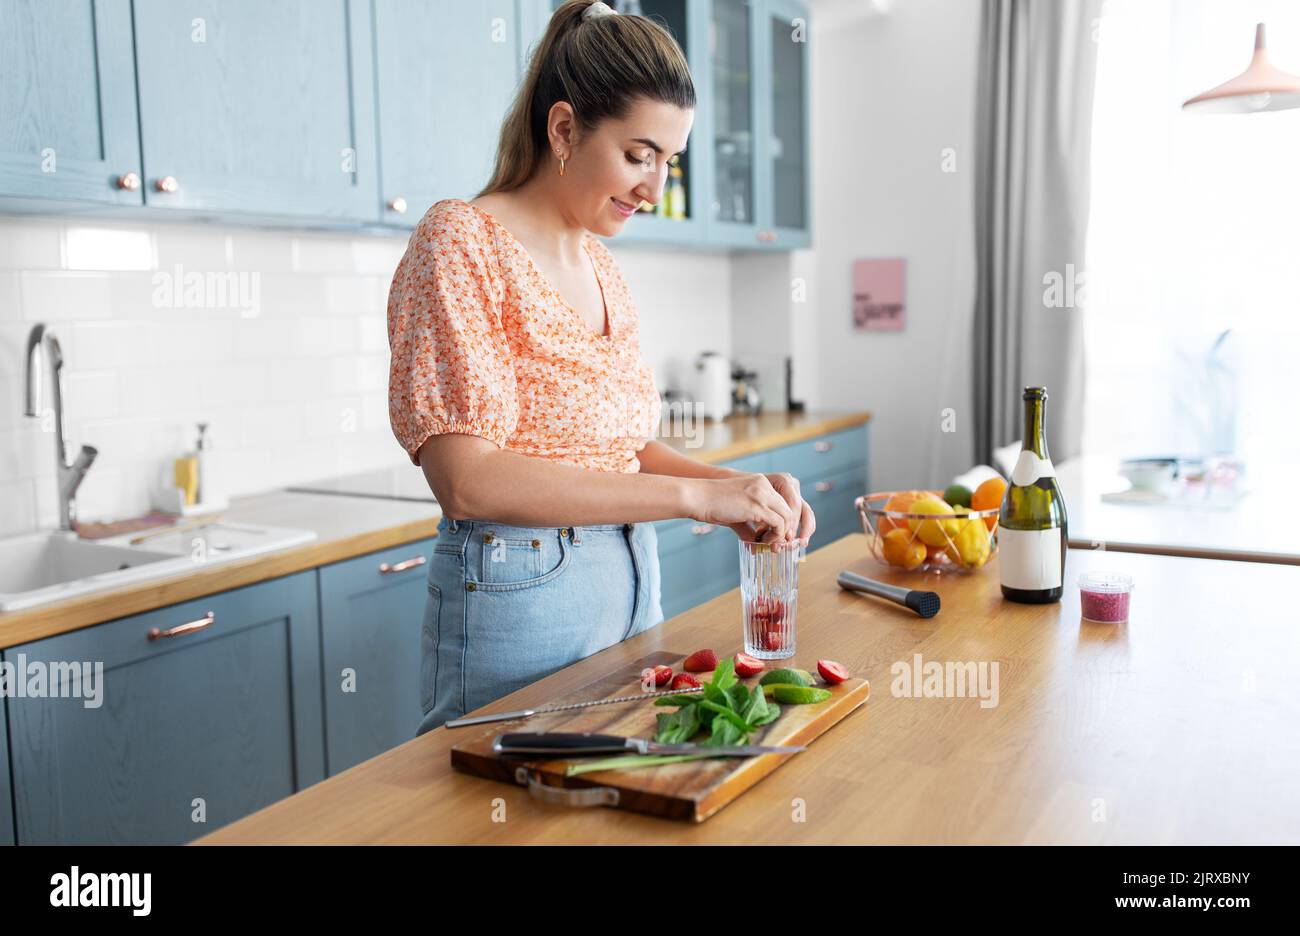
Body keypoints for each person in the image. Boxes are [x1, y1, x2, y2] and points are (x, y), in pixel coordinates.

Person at [387, 0, 815, 737]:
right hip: (518, 595)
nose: (655, 187)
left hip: (632, 576)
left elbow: (623, 450)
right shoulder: (460, 240)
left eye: (669, 161)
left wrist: (737, 490)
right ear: (563, 129)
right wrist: (693, 499)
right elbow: (466, 479)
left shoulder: (603, 266)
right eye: (639, 153)